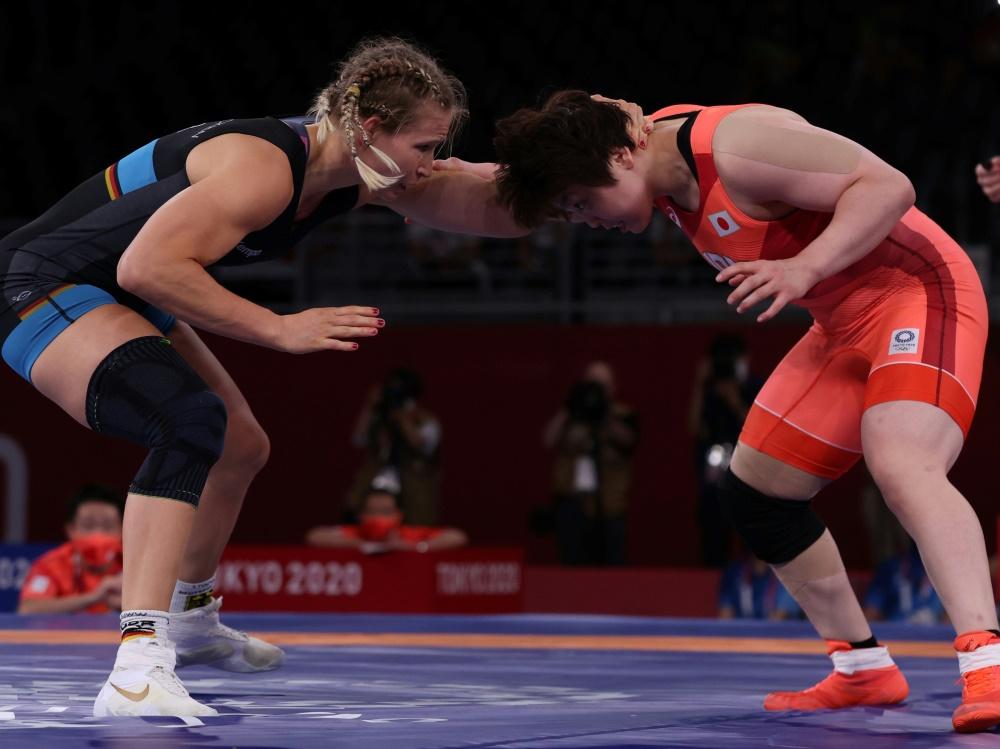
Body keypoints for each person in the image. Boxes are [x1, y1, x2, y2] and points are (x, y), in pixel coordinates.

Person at [0, 37, 554, 718]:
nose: (430, 164)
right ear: (372, 130)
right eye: (425, 146)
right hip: (40, 284)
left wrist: (573, 189)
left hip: (115, 288)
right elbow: (149, 267)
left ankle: (190, 619)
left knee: (240, 444)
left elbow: (480, 203)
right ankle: (137, 667)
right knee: (186, 421)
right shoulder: (261, 167)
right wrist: (279, 327)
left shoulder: (351, 172)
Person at [471, 91, 1000, 733]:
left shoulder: (735, 146)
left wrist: (803, 267)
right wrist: (401, 186)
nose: (583, 220)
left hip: (921, 292)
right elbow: (522, 161)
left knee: (902, 461)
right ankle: (863, 669)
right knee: (756, 493)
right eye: (569, 212)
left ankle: (989, 666)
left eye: (581, 203)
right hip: (840, 321)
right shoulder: (630, 148)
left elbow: (888, 186)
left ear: (620, 155)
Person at [543, 361, 638, 565]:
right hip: (571, 504)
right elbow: (548, 439)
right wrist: (572, 405)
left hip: (609, 509)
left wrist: (603, 414)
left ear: (613, 388)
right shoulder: (571, 413)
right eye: (592, 383)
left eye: (602, 385)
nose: (596, 390)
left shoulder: (623, 415)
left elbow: (629, 441)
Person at [688, 334, 763, 567]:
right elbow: (693, 427)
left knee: (750, 536)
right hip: (715, 478)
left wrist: (733, 400)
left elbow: (760, 429)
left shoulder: (755, 386)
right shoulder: (710, 391)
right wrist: (700, 385)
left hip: (748, 475)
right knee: (713, 534)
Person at [346, 368, 442, 525]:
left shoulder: (426, 419)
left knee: (416, 523)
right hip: (376, 480)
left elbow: (422, 446)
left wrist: (402, 418)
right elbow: (358, 439)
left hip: (413, 485)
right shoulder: (379, 416)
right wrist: (370, 407)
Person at [18, 484, 124, 615]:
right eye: (88, 526)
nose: (98, 534)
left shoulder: (134, 564)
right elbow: (28, 610)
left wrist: (128, 604)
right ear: (71, 530)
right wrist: (94, 597)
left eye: (108, 526)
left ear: (121, 530)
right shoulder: (51, 564)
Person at [306, 480, 468, 553]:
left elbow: (457, 537)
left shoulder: (410, 535)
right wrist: (361, 545)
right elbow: (315, 536)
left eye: (385, 512)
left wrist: (414, 548)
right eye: (373, 512)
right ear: (362, 516)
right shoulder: (356, 533)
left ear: (399, 515)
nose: (378, 518)